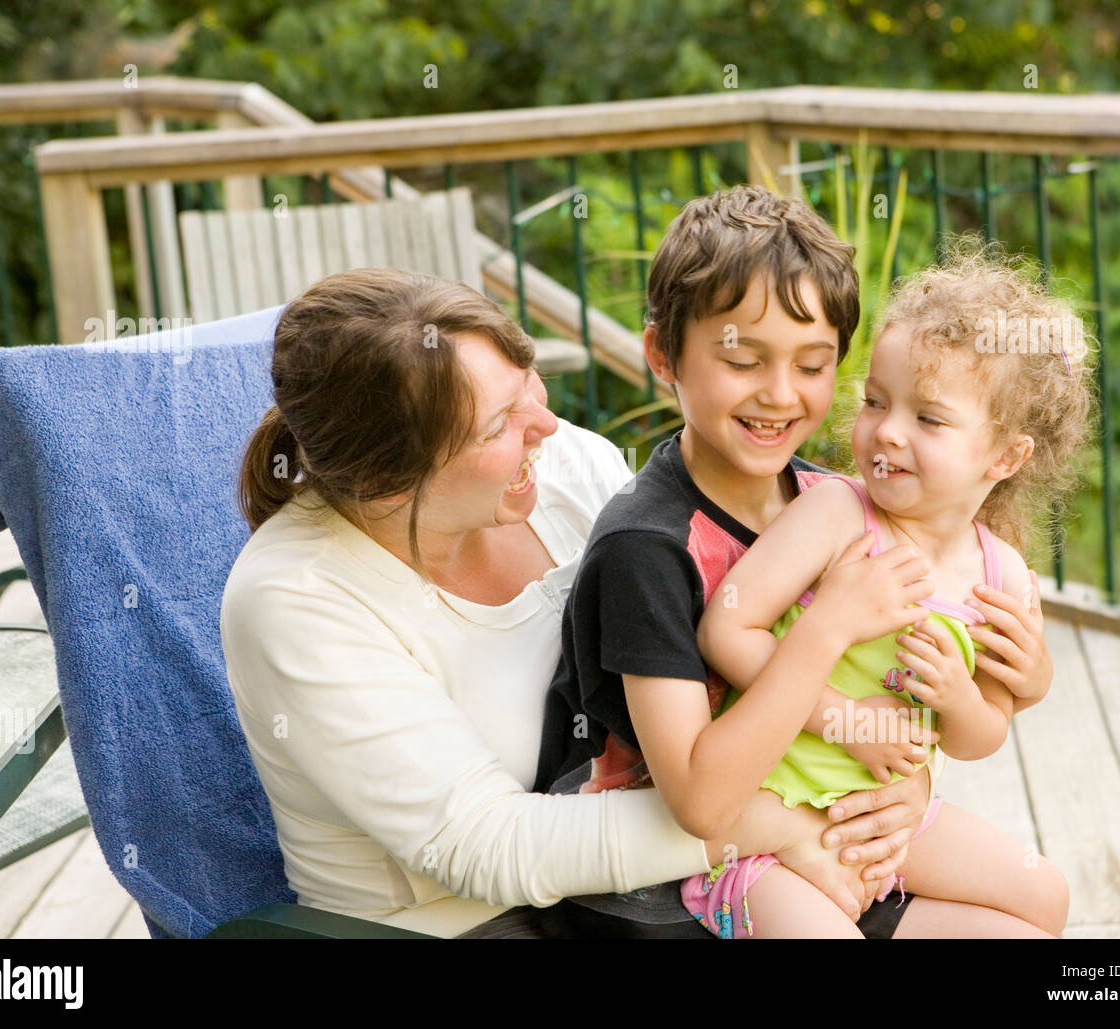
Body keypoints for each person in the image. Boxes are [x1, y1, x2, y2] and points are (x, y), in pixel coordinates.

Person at [219, 266, 934, 939]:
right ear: (391, 481)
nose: (546, 425)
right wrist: (783, 824)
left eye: (527, 378)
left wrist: (897, 790)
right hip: (459, 920)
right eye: (498, 425)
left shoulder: (563, 472)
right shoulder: (297, 599)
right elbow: (486, 846)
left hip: (672, 874)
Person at [534, 188, 1057, 938]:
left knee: (1040, 914)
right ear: (662, 354)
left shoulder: (823, 493)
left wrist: (941, 761)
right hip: (676, 876)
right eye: (743, 358)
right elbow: (701, 803)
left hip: (835, 825)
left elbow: (904, 693)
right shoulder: (644, 550)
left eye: (813, 365)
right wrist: (834, 649)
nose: (779, 393)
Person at [685, 241, 1088, 937]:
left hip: (891, 819)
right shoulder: (839, 514)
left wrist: (961, 699)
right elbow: (725, 629)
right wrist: (848, 720)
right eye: (875, 400)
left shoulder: (1003, 575)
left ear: (1005, 455)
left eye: (927, 418)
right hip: (773, 819)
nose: (886, 432)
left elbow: (980, 733)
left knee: (1044, 896)